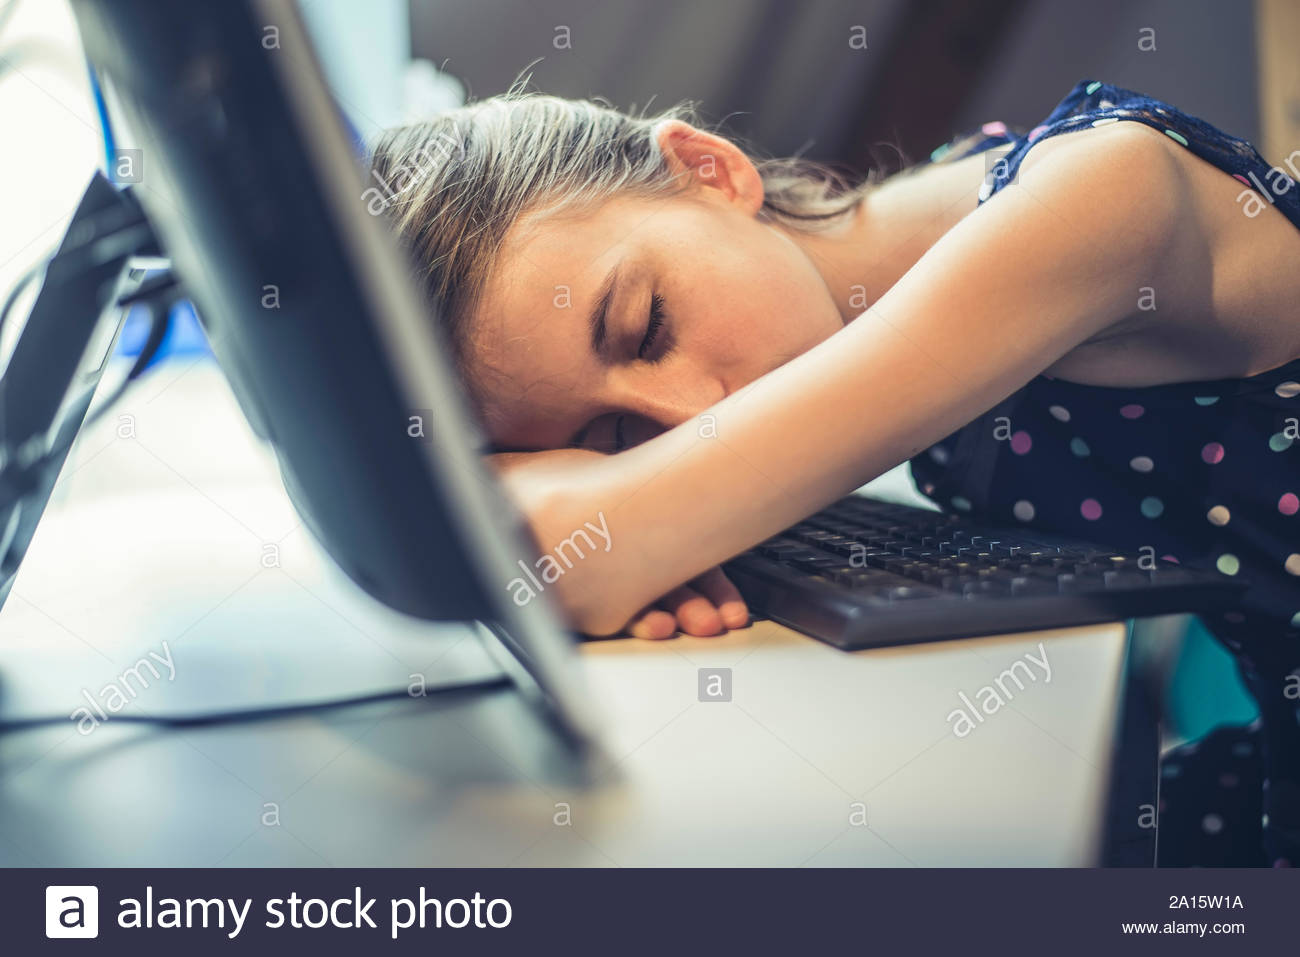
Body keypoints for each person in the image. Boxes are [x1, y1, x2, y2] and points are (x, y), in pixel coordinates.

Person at [369, 80, 1299, 866]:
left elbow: (569, 551)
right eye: (610, 435)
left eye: (646, 325)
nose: (695, 421)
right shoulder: (933, 225)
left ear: (708, 169)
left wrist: (618, 513)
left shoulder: (1099, 198)